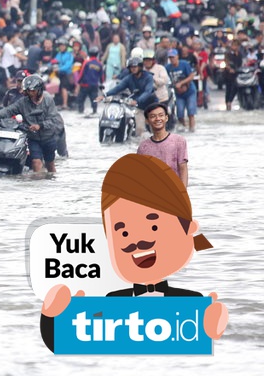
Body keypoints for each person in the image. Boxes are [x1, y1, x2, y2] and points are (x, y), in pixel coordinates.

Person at [39, 154, 227, 352]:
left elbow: (206, 351)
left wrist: (213, 329)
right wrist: (52, 317)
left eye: (153, 226)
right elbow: (71, 342)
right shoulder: (113, 302)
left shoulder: (193, 303)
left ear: (188, 228)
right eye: (123, 232)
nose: (136, 242)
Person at [0, 75, 63, 173]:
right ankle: (38, 186)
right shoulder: (23, 102)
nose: (30, 93)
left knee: (50, 165)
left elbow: (53, 119)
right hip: (33, 139)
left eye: (32, 91)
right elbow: (9, 110)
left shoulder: (48, 100)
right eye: (28, 91)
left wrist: (40, 126)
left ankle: (51, 182)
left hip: (49, 137)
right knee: (36, 162)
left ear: (39, 90)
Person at [100, 56, 156, 136]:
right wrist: (105, 95)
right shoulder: (129, 78)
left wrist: (137, 100)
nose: (133, 69)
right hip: (139, 107)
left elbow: (147, 92)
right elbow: (118, 88)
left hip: (152, 105)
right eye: (131, 67)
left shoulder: (148, 77)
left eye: (135, 66)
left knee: (156, 129)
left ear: (140, 67)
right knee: (139, 130)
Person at [137, 102, 188, 186]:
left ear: (166, 118)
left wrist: (183, 194)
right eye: (153, 116)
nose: (158, 119)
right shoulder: (143, 147)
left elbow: (183, 169)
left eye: (161, 115)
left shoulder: (179, 141)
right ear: (147, 121)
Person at [165, 48, 197, 132]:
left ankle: (192, 129)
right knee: (180, 113)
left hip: (190, 91)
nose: (172, 59)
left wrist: (181, 83)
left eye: (173, 57)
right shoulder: (167, 68)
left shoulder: (184, 64)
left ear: (177, 56)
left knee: (191, 112)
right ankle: (184, 128)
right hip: (178, 94)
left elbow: (191, 76)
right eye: (170, 57)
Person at [73, 46, 104, 114]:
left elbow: (82, 72)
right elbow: (101, 75)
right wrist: (101, 83)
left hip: (85, 84)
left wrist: (79, 81)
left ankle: (81, 111)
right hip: (94, 85)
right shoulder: (99, 63)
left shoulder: (86, 62)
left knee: (81, 98)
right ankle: (94, 110)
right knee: (94, 98)